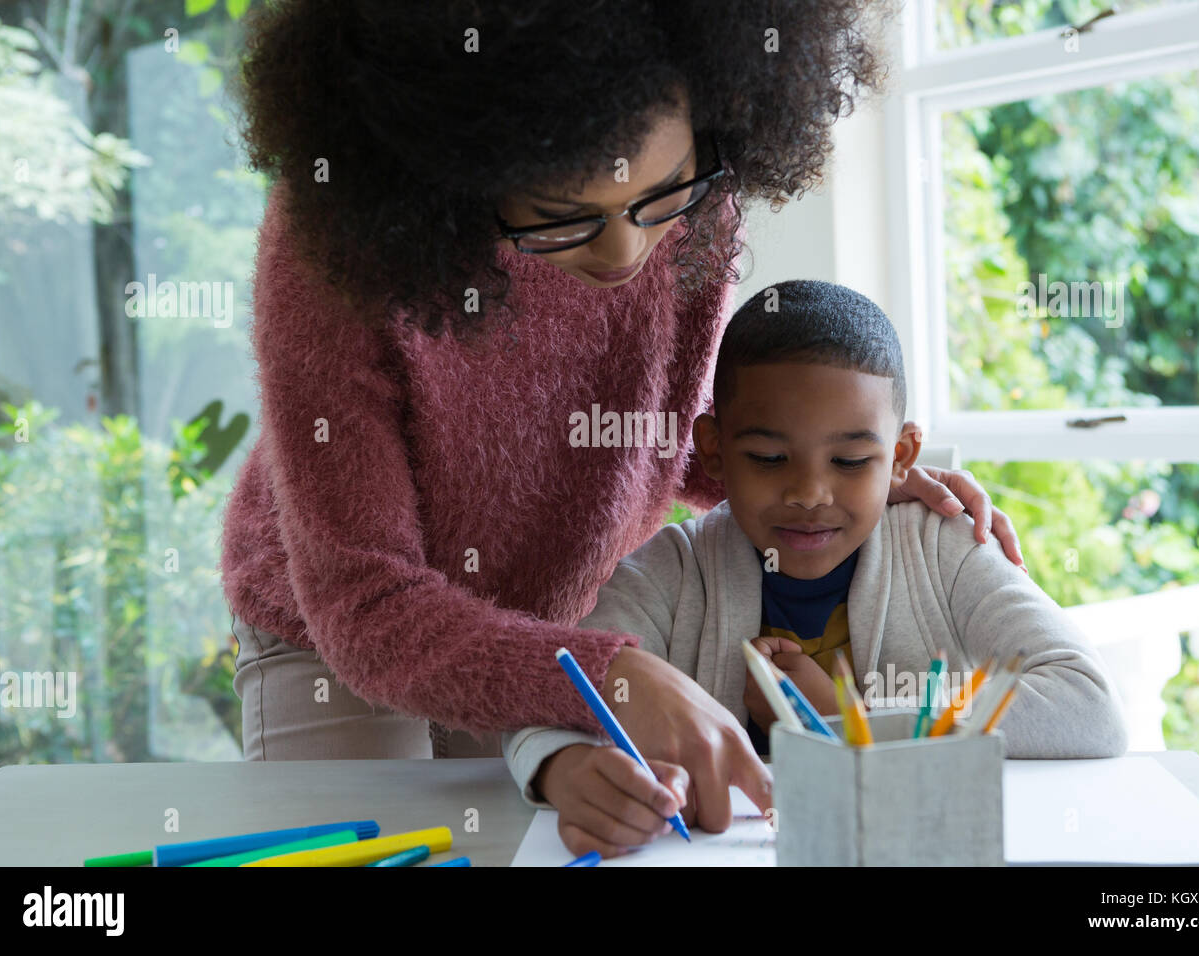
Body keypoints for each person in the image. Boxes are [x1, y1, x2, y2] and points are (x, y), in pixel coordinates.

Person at [219, 1, 1025, 830]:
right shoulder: (336, 240)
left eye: (660, 195)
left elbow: (653, 433)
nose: (626, 253)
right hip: (343, 626)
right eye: (564, 216)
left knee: (517, 841)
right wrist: (611, 674)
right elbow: (367, 606)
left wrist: (831, 470)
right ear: (456, 175)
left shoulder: (696, 188)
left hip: (560, 619)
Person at [504, 281, 1127, 858]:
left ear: (902, 456)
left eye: (852, 461)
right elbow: (544, 695)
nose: (809, 493)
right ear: (715, 451)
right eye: (769, 457)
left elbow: (1089, 703)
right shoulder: (671, 571)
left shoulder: (946, 550)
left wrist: (854, 718)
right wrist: (565, 771)